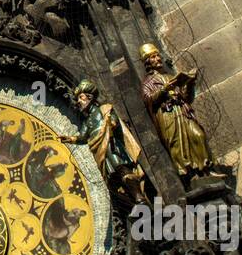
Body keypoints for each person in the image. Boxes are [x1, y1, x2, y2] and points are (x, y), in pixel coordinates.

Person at [61, 78, 147, 205]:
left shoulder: (104, 109)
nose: (79, 101)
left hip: (111, 144)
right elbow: (83, 137)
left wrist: (112, 123)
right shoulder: (87, 121)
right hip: (100, 151)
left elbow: (114, 120)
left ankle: (138, 196)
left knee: (120, 167)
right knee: (112, 176)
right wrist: (71, 139)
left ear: (89, 97)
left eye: (81, 97)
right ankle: (129, 199)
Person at [138, 44, 218, 181]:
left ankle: (207, 169)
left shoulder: (170, 76)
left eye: (158, 56)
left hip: (182, 110)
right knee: (177, 144)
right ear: (148, 62)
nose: (158, 59)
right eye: (153, 57)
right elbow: (148, 100)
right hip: (168, 115)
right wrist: (164, 89)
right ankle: (191, 176)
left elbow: (187, 98)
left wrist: (190, 83)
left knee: (198, 135)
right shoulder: (147, 82)